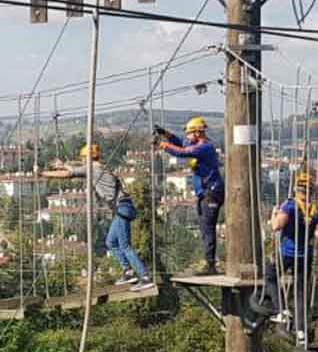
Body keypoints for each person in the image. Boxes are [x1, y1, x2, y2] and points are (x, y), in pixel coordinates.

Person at [42, 144, 153, 291]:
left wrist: (44, 174)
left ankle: (145, 276)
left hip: (121, 208)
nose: (82, 161)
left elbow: (67, 174)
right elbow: (78, 166)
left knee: (125, 245)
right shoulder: (101, 167)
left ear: (88, 158)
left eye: (83, 158)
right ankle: (128, 271)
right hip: (123, 207)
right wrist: (64, 164)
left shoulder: (92, 169)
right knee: (111, 242)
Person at [255, 171, 318, 346]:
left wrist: (274, 214)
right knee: (301, 293)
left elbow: (276, 226)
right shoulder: (317, 210)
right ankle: (301, 330)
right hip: (306, 256)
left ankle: (281, 309)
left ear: (297, 189)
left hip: (287, 253)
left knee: (270, 276)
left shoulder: (290, 206)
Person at [155, 117, 224, 275]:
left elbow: (182, 152)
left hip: (212, 192)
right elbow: (181, 144)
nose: (187, 137)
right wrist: (166, 134)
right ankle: (209, 261)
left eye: (190, 134)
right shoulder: (196, 144)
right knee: (204, 227)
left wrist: (163, 145)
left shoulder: (205, 147)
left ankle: (210, 264)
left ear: (198, 133)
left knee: (208, 228)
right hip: (205, 193)